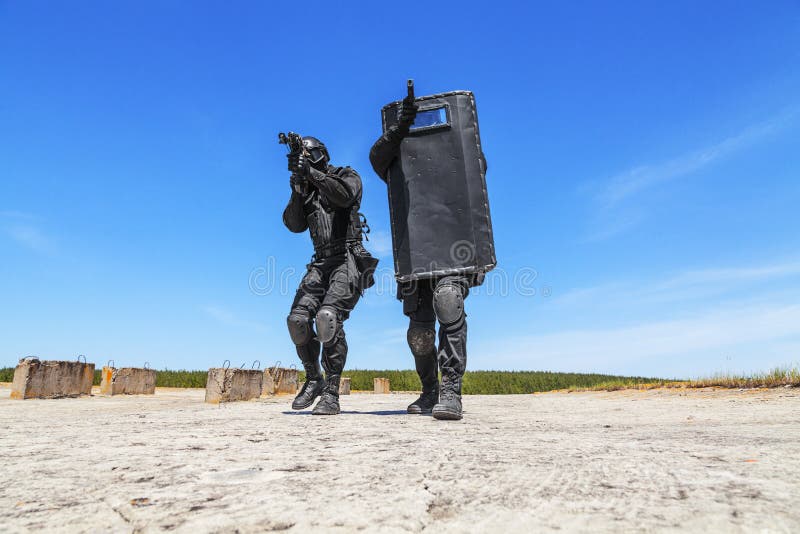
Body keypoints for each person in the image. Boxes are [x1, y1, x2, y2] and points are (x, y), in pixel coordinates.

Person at [369, 95, 484, 421]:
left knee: (448, 301)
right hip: (417, 252)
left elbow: (476, 176)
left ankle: (451, 390)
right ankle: (430, 389)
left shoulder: (460, 146)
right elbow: (377, 159)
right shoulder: (398, 154)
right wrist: (400, 128)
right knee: (419, 335)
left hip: (453, 247)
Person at [283, 136, 373, 415]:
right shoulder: (308, 189)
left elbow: (344, 196)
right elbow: (293, 224)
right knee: (297, 320)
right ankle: (314, 379)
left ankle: (332, 392)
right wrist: (298, 188)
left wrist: (311, 173)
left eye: (308, 154)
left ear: (320, 154)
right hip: (321, 262)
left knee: (327, 317)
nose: (306, 158)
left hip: (348, 257)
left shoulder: (346, 175)